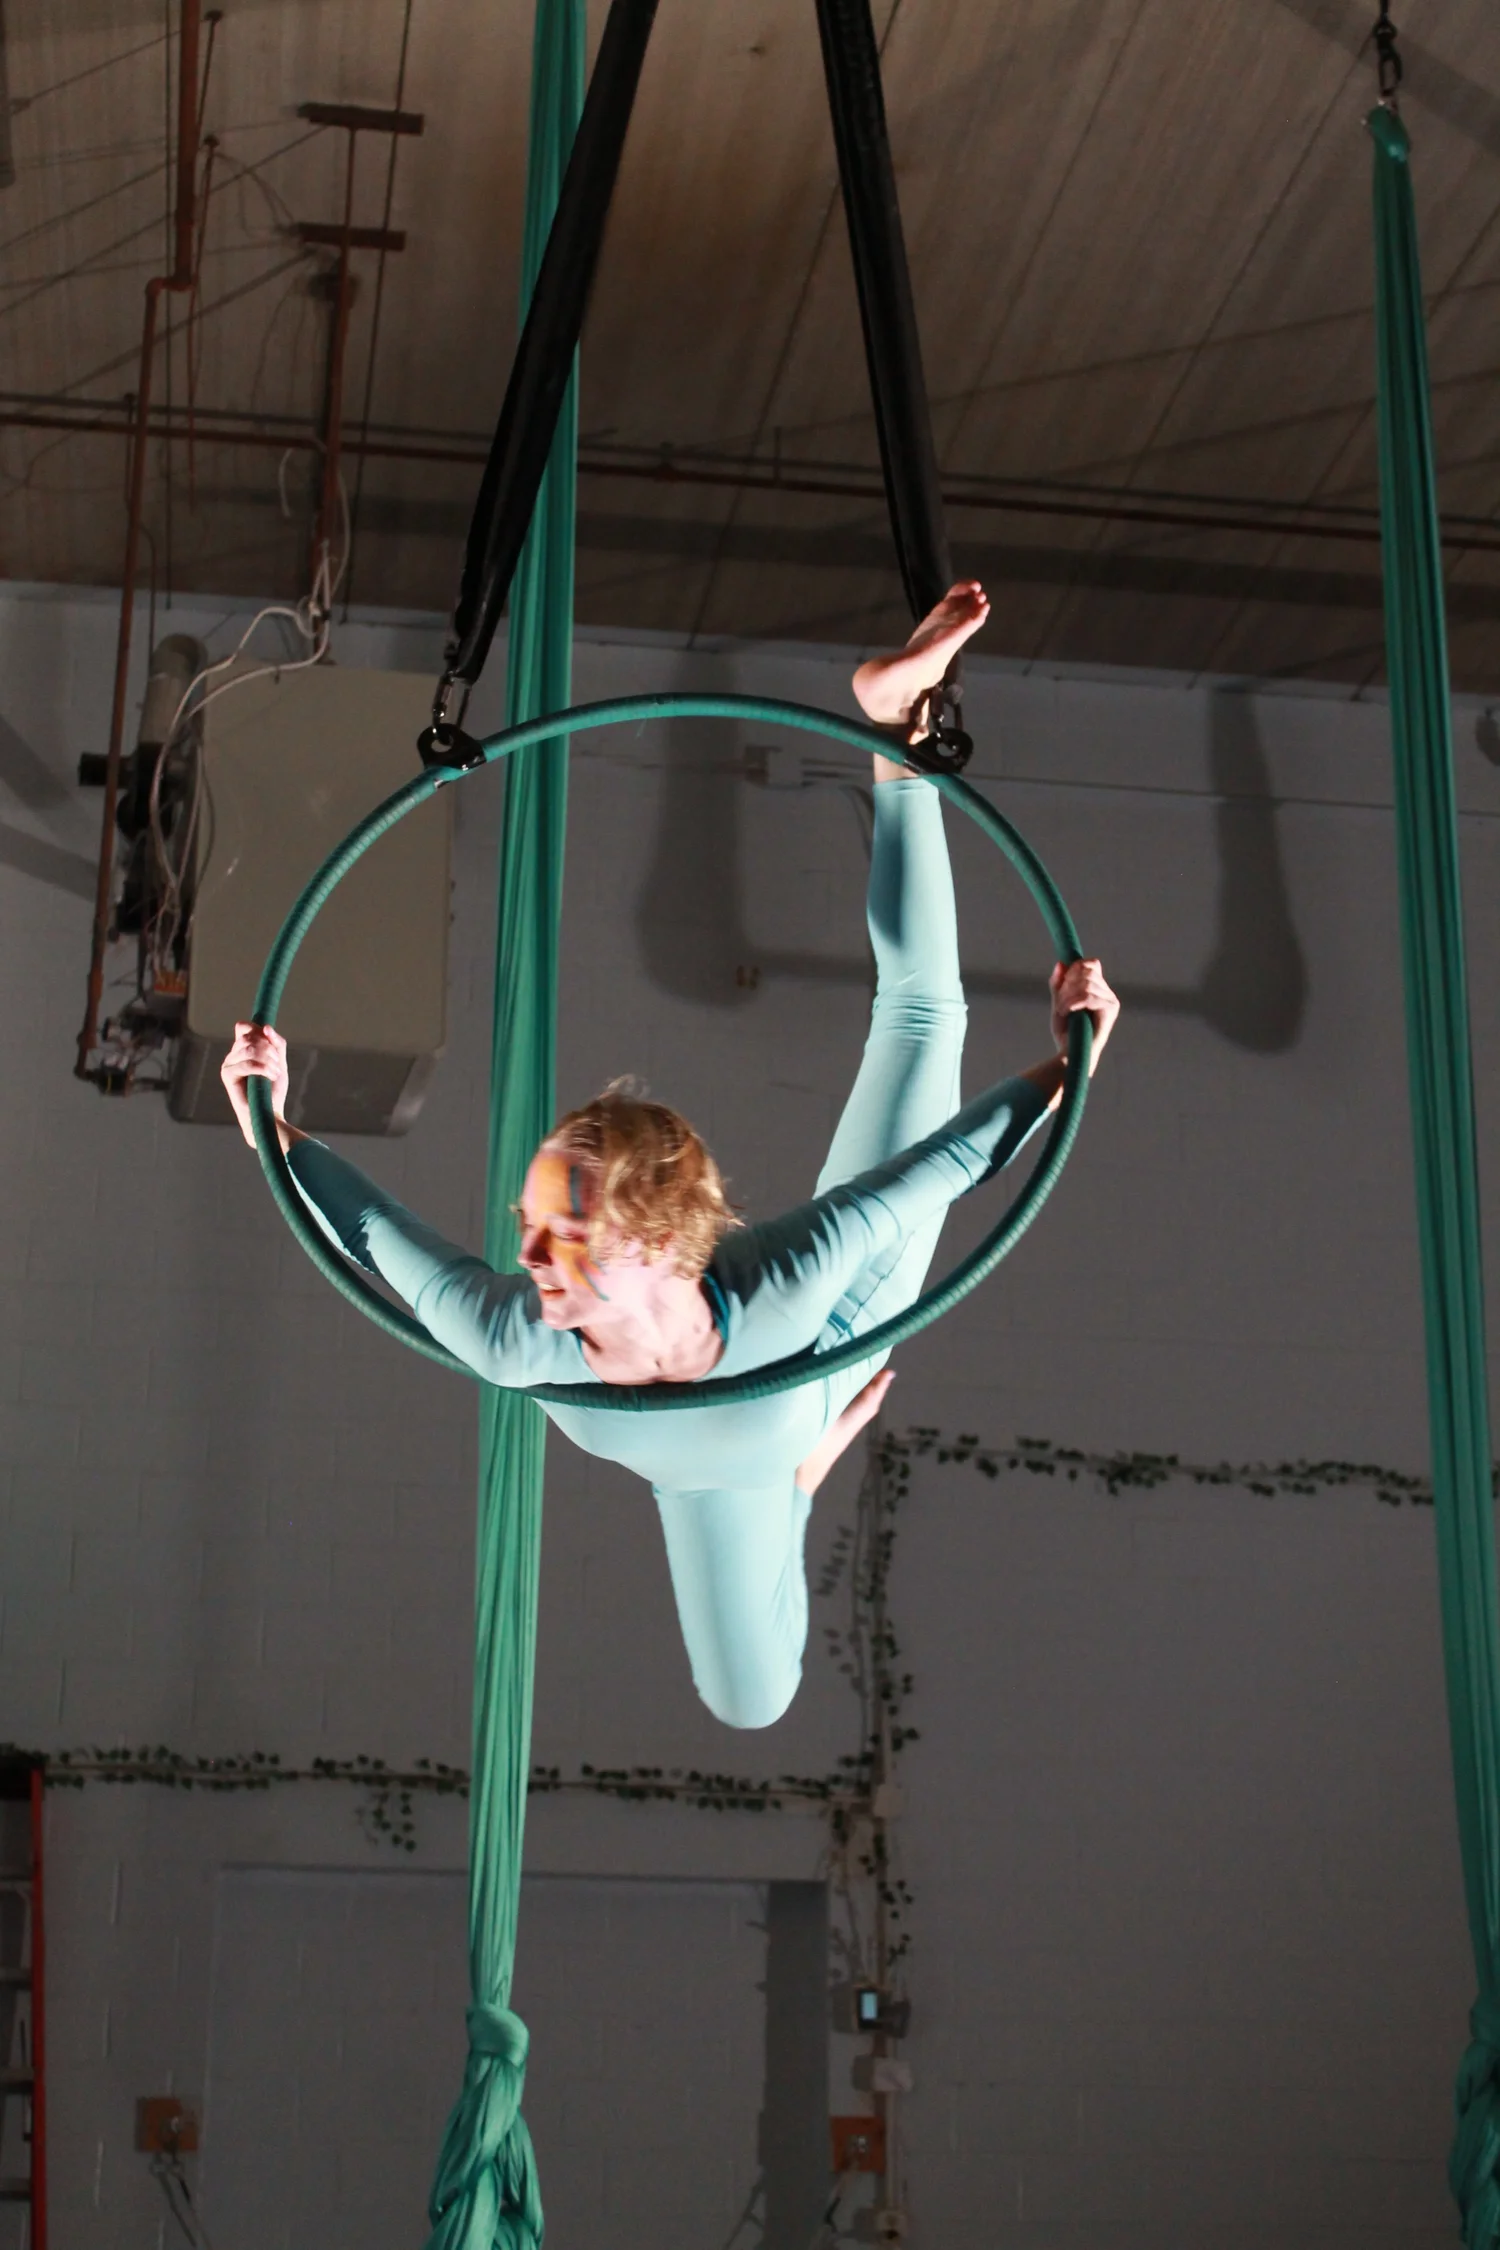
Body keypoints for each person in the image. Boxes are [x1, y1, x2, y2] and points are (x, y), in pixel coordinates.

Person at [222, 583, 1119, 1728]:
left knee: (923, 1016)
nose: (527, 1257)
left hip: (831, 1335)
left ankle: (895, 727)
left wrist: (1070, 1063)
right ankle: (799, 1474)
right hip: (742, 1448)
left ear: (652, 1241)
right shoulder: (515, 1336)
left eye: (561, 1232)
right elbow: (365, 1230)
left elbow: (949, 1162)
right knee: (753, 1698)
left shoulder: (790, 1275)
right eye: (528, 1225)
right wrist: (267, 1114)